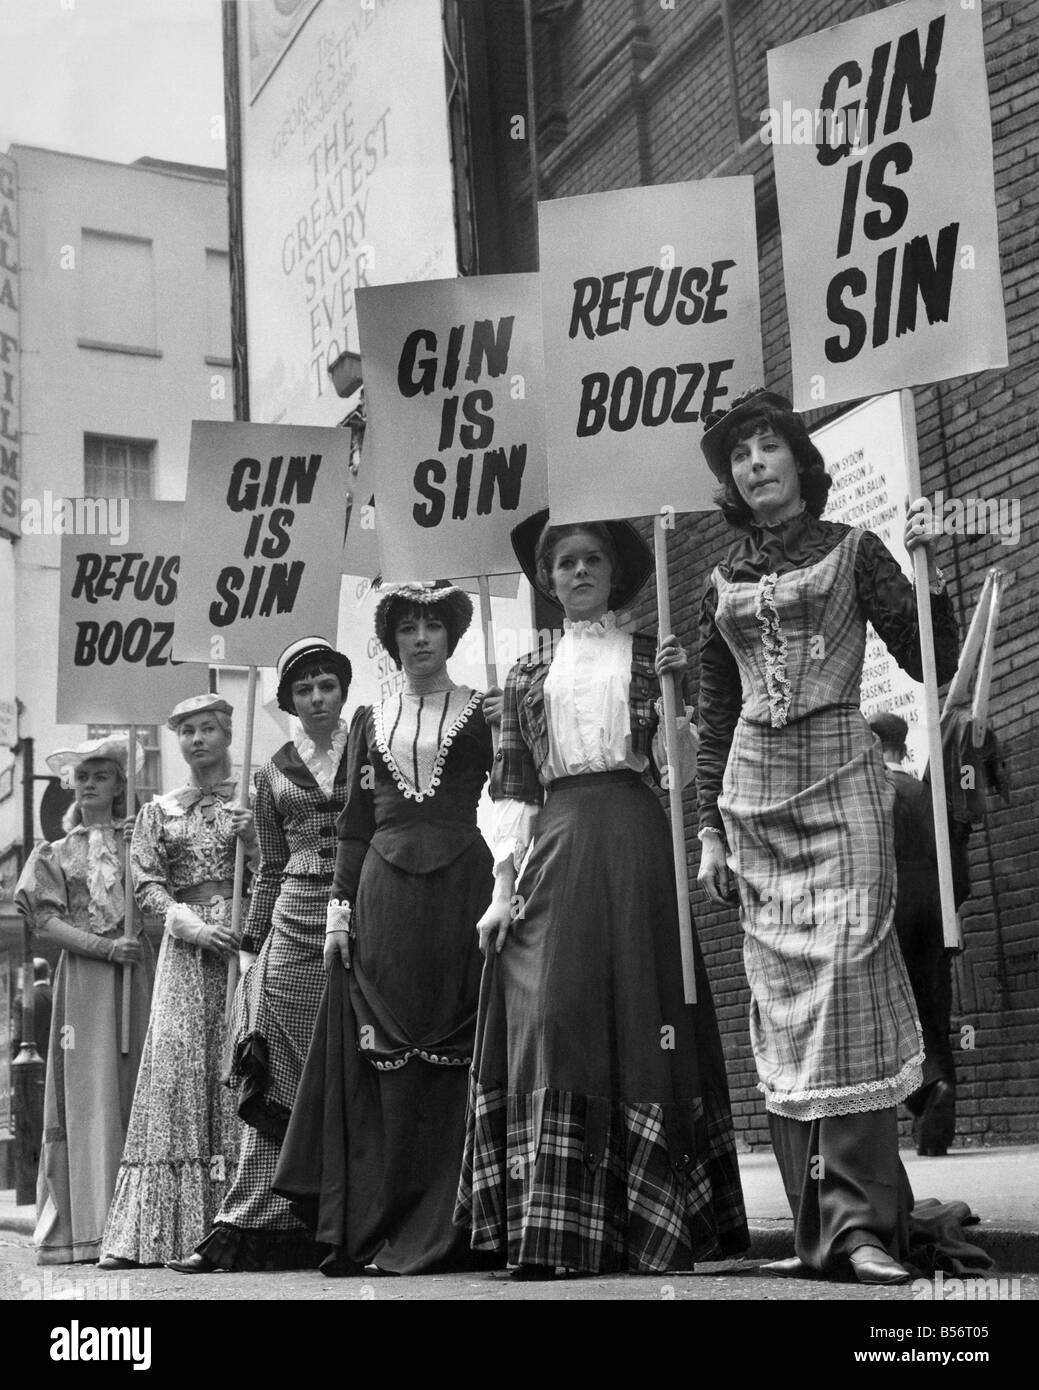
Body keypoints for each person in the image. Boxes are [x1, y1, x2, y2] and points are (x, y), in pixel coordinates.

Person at [696, 388, 959, 1284]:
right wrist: (708, 833)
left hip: (842, 780)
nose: (755, 464)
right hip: (752, 802)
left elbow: (931, 655)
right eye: (740, 455)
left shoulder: (855, 551)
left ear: (799, 464)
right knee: (781, 1001)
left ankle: (864, 1224)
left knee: (847, 972)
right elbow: (716, 708)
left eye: (769, 447)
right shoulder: (718, 581)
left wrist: (926, 573)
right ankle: (819, 1232)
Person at [455, 510, 748, 1278]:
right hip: (555, 842)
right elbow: (512, 786)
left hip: (635, 836)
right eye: (564, 564)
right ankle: (555, 1232)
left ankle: (652, 1229)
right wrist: (499, 888)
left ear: (615, 573)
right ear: (547, 582)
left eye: (592, 561)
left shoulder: (653, 657)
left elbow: (677, 773)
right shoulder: (523, 674)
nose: (578, 573)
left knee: (645, 1010)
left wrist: (677, 696)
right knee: (556, 1010)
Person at [275, 585, 500, 1275]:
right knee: (388, 1051)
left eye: (434, 624)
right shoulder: (369, 718)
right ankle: (384, 1221)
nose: (422, 637)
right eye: (408, 626)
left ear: (454, 634)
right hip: (384, 894)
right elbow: (353, 826)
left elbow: (520, 794)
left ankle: (461, 1221)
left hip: (465, 884)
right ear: (392, 639)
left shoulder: (486, 711)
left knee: (463, 1044)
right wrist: (337, 916)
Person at [169, 638, 354, 1273]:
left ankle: (359, 1217)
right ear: (289, 701)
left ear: (343, 690)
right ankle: (246, 1226)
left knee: (361, 1065)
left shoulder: (374, 746)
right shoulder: (271, 768)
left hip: (363, 910)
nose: (318, 698)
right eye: (304, 689)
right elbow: (270, 866)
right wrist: (252, 948)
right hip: (295, 923)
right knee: (279, 1076)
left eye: (327, 684)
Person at [100, 695, 254, 1269]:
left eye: (207, 728)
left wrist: (255, 845)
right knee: (176, 1072)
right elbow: (147, 886)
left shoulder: (253, 799)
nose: (196, 739)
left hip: (244, 946)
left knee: (240, 1069)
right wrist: (189, 926)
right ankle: (152, 1232)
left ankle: (243, 1223)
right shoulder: (159, 811)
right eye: (186, 731)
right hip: (186, 955)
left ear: (228, 732)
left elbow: (280, 865)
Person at [15, 734, 154, 1265]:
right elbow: (43, 918)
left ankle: (142, 1223)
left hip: (137, 973)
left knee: (137, 1082)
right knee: (90, 1093)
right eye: (83, 775)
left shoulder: (139, 840)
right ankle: (88, 1226)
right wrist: (102, 946)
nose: (91, 782)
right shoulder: (55, 852)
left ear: (121, 784)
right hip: (85, 985)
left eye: (103, 774)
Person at [869, 711, 963, 1157]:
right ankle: (938, 1091)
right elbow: (956, 866)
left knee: (892, 1013)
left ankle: (925, 1094)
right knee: (934, 1008)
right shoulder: (931, 794)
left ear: (871, 744)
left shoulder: (875, 794)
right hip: (938, 915)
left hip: (894, 915)